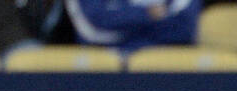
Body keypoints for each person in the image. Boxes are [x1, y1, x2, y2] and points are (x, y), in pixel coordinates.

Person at [63, 0, 201, 53]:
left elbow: (184, 27)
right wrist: (146, 15)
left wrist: (124, 23)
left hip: (169, 73)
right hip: (103, 76)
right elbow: (91, 29)